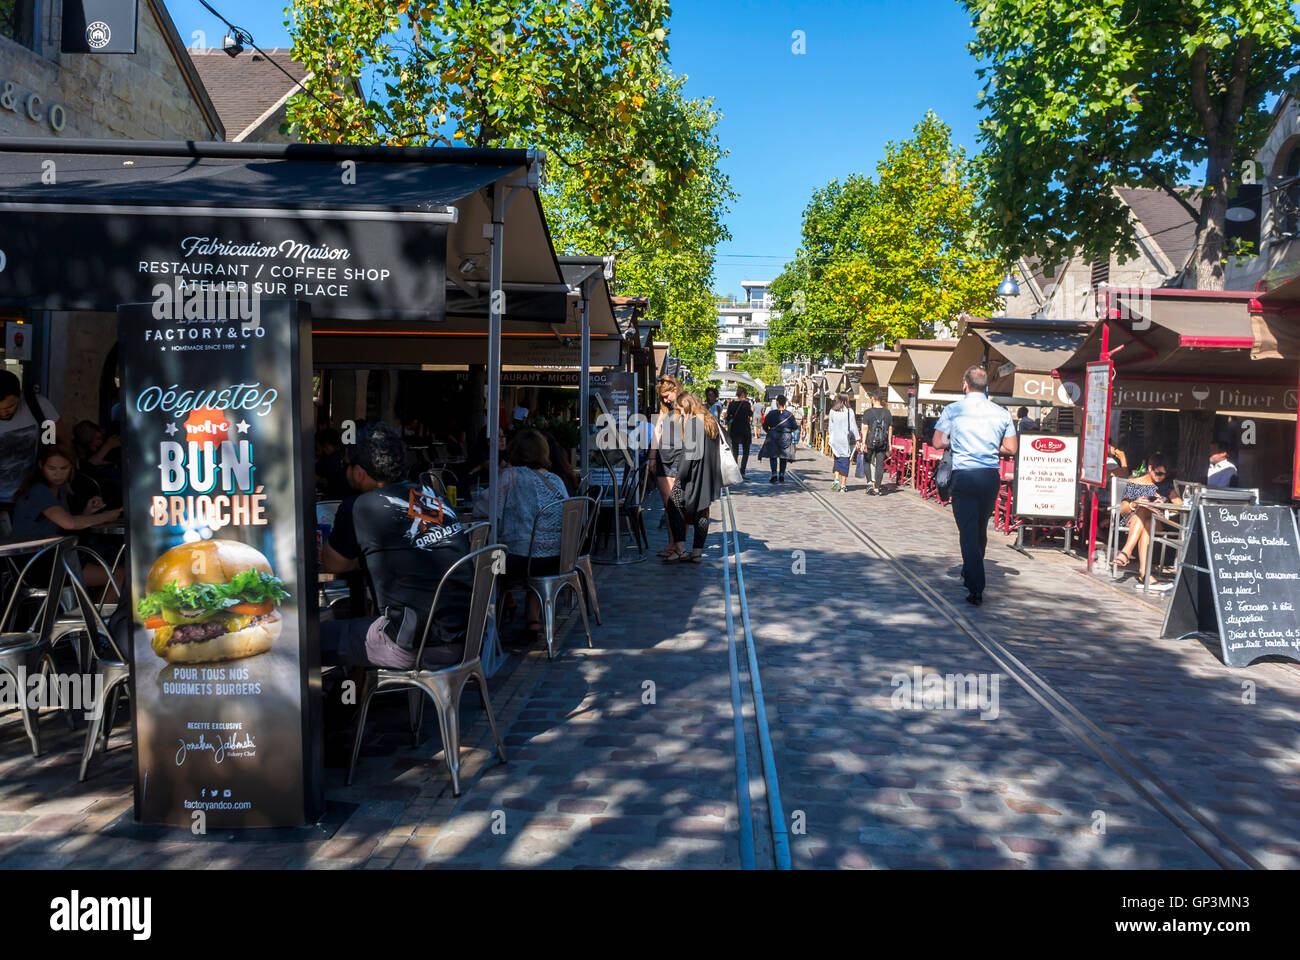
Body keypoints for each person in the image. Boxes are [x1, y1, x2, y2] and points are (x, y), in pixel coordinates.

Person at [319, 424, 473, 668]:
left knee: (308, 637)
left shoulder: (360, 506)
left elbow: (332, 562)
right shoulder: (429, 494)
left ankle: (340, 702)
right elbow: (415, 545)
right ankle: (359, 699)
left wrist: (372, 554)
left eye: (345, 465)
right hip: (467, 636)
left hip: (413, 643)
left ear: (359, 472)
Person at [932, 366, 1018, 606]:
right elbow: (1011, 448)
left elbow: (938, 442)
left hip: (965, 475)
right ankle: (972, 567)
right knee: (980, 527)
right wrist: (990, 448)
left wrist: (955, 442)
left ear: (965, 384)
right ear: (986, 386)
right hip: (989, 476)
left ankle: (975, 585)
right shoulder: (1001, 413)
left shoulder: (953, 410)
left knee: (968, 530)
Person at [12, 445, 122, 597]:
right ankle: (97, 620)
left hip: (55, 557)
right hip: (37, 564)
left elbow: (64, 523)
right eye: (52, 468)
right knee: (119, 575)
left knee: (118, 571)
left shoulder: (60, 490)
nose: (58, 474)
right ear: (41, 466)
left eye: (64, 468)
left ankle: (93, 617)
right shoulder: (38, 491)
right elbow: (69, 523)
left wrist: (87, 512)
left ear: (71, 467)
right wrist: (106, 516)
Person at [496, 429, 572, 644]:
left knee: (489, 558)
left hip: (518, 562)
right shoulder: (556, 480)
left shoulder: (510, 476)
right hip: (557, 561)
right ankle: (533, 620)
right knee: (533, 550)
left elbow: (490, 510)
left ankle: (499, 607)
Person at [0, 371, 62, 537]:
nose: (3, 413)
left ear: (19, 393)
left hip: (32, 495)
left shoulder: (38, 405)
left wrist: (56, 481)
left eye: (9, 407)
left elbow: (56, 442)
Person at [664, 392, 722, 562]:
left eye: (682, 410)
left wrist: (679, 476)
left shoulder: (694, 424)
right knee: (702, 512)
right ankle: (697, 552)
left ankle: (680, 548)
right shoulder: (710, 421)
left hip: (693, 476)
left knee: (672, 504)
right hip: (708, 475)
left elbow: (688, 456)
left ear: (688, 406)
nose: (681, 414)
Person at [1112, 454, 1183, 587]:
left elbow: (1179, 505)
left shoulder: (1165, 485)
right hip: (1134, 519)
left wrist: (1161, 503)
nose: (1161, 477)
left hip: (1158, 521)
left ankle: (1126, 551)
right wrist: (1136, 503)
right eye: (1159, 473)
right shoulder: (1135, 482)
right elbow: (1124, 509)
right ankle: (1144, 573)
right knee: (1145, 515)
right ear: (1150, 468)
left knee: (1148, 515)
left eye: (1164, 474)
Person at [650, 375, 686, 557]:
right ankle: (672, 543)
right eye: (662, 397)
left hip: (681, 458)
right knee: (668, 504)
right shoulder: (664, 409)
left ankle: (679, 544)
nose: (665, 400)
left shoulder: (686, 404)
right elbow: (656, 432)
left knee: (678, 503)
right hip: (664, 460)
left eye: (667, 396)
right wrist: (652, 457)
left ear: (675, 390)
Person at [757, 395, 798, 483]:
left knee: (773, 455)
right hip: (786, 437)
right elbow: (795, 426)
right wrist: (789, 431)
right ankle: (782, 474)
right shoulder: (789, 415)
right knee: (783, 457)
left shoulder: (771, 414)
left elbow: (764, 425)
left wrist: (769, 431)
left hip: (773, 436)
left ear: (777, 403)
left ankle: (774, 473)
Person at [860, 389, 893, 496]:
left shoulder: (868, 412)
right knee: (880, 465)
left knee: (866, 461)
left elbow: (865, 428)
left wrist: (863, 442)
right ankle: (878, 488)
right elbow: (890, 429)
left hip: (870, 440)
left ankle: (870, 483)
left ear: (873, 399)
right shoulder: (887, 412)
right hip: (882, 442)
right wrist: (890, 443)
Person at [827, 394, 859, 492]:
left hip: (835, 439)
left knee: (837, 459)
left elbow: (830, 427)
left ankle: (836, 478)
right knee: (845, 461)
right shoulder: (849, 411)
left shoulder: (832, 411)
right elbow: (853, 427)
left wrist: (830, 438)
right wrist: (858, 438)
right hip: (845, 439)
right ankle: (843, 485)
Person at [724, 386, 755, 478]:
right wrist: (751, 411)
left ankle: (735, 471)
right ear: (744, 394)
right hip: (745, 429)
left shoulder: (732, 404)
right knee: (746, 451)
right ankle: (742, 472)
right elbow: (750, 415)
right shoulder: (747, 404)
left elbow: (728, 417)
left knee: (735, 451)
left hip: (734, 429)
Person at [315, 427, 351, 500]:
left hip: (331, 501)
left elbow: (314, 478)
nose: (318, 451)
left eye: (317, 448)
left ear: (326, 445)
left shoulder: (326, 460)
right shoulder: (345, 455)